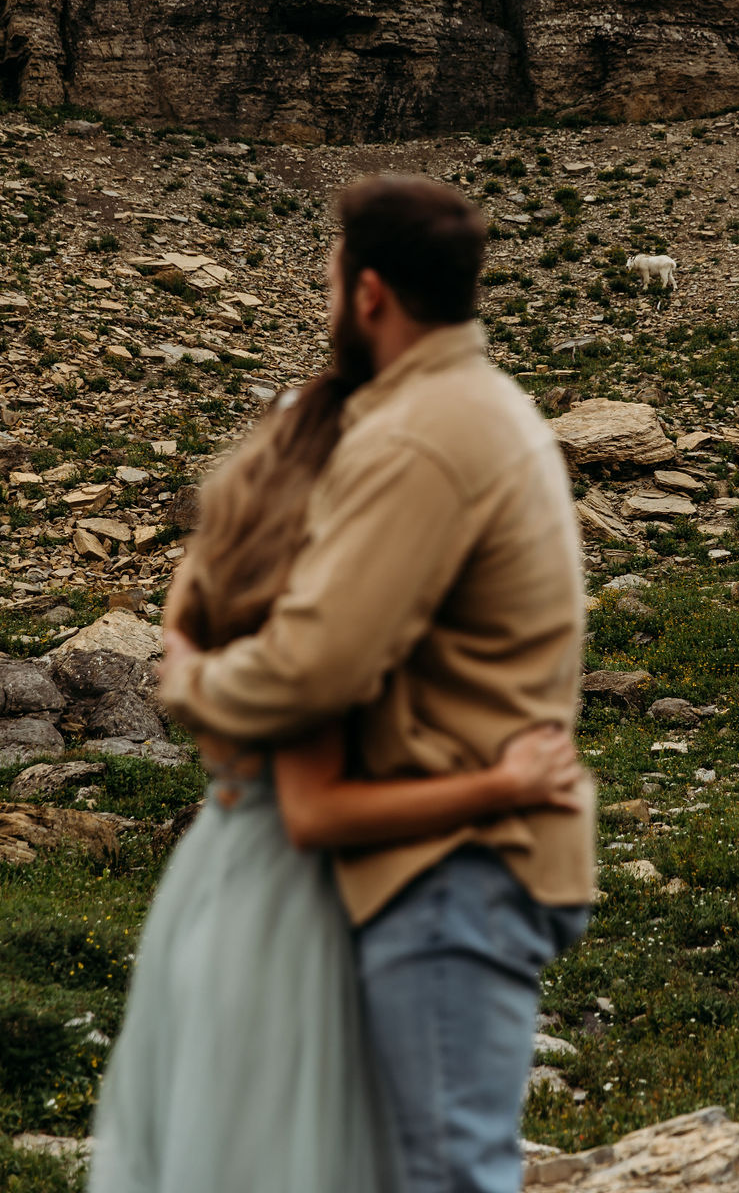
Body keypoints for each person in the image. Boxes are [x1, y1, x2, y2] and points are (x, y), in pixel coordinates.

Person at [88, 249, 587, 1193]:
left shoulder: (212, 591)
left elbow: (184, 677)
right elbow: (315, 810)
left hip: (210, 894)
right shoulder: (301, 630)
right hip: (303, 908)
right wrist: (502, 786)